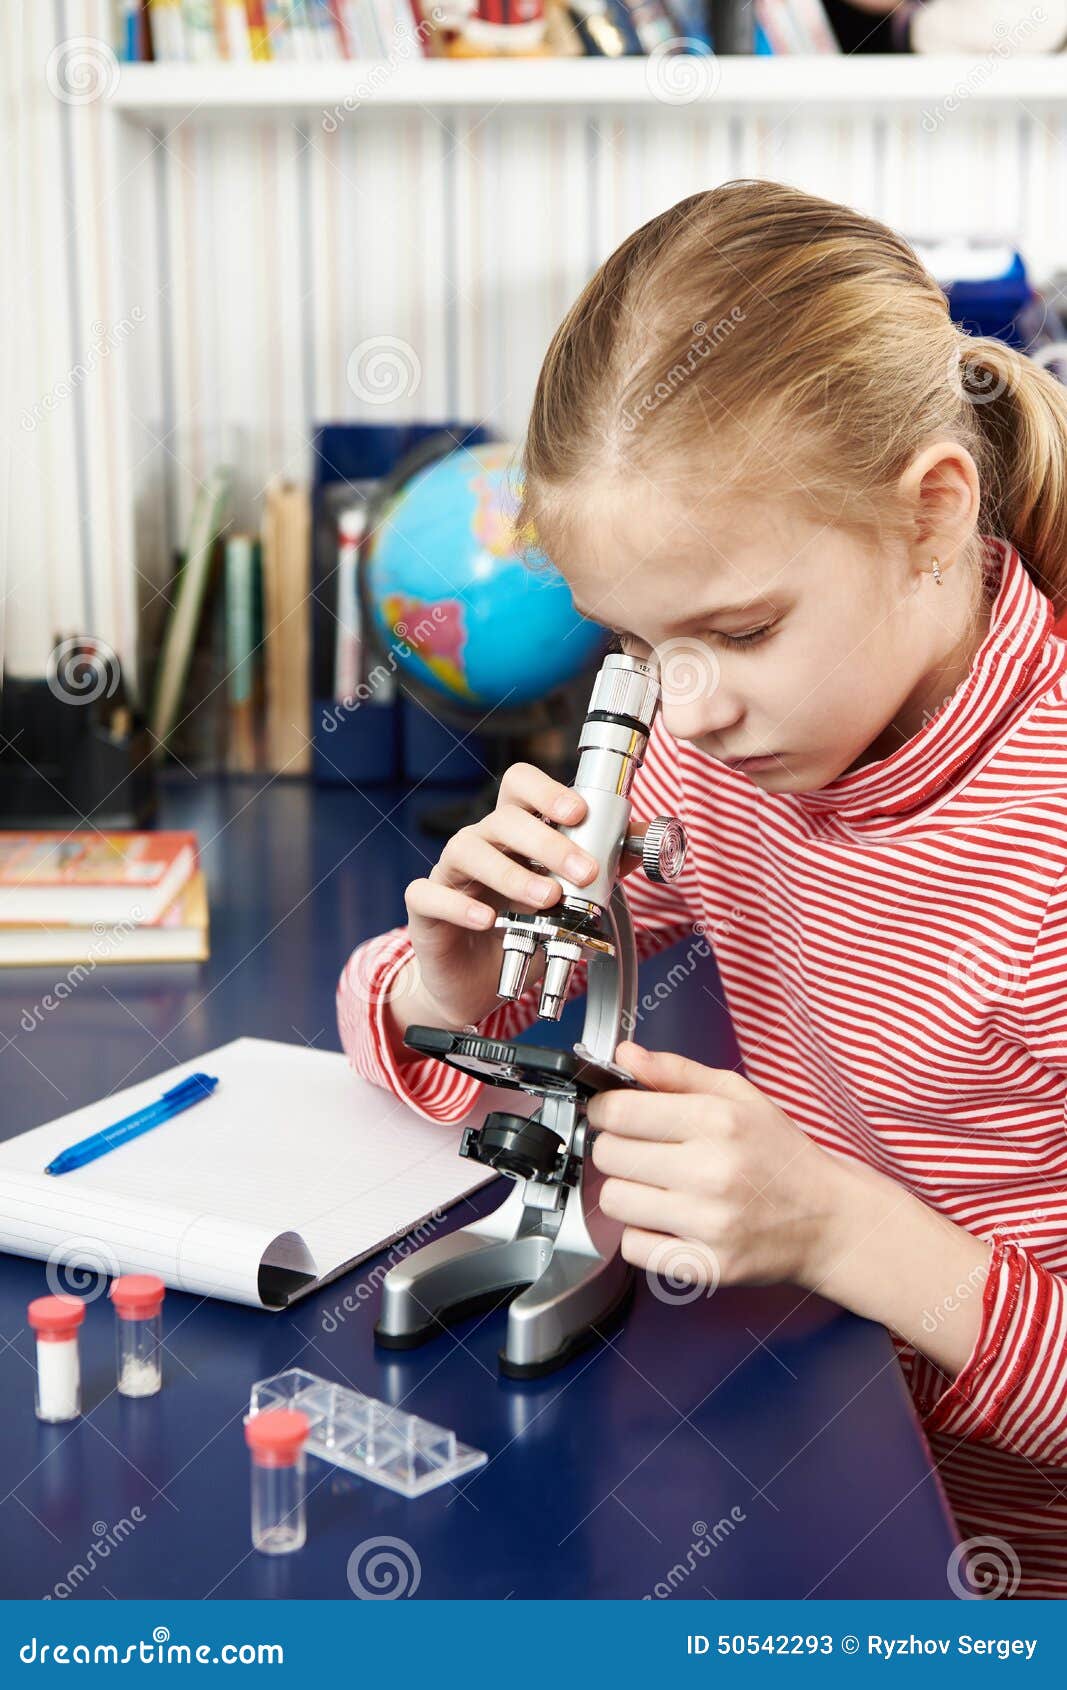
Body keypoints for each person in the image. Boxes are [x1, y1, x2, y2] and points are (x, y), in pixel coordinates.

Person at [338, 179, 1067, 1597]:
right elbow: (416, 1022)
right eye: (640, 645)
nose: (690, 706)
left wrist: (832, 1223)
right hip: (818, 1496)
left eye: (740, 629)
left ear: (930, 517)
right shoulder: (731, 747)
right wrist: (454, 982)